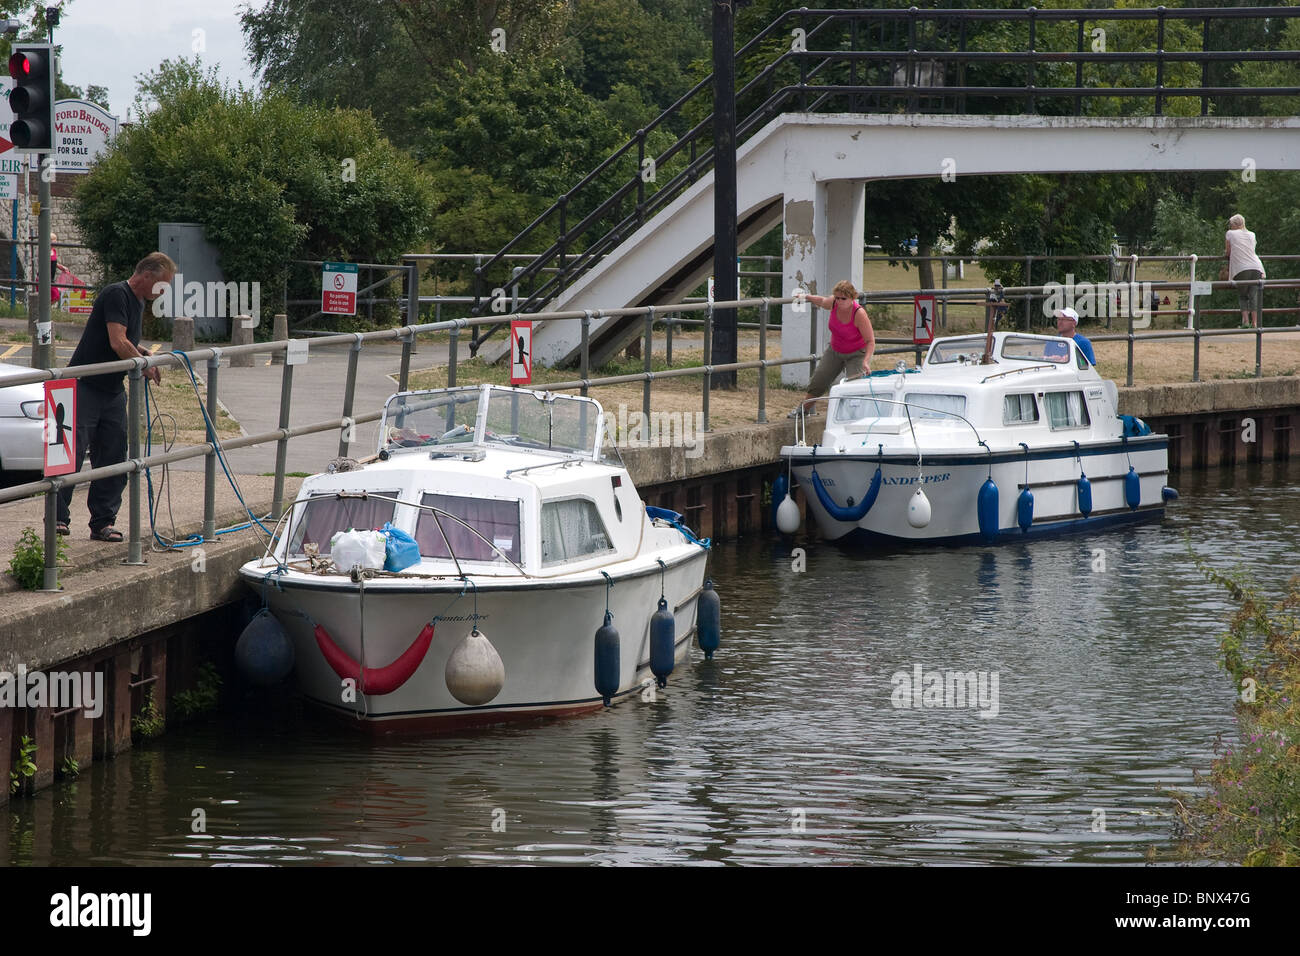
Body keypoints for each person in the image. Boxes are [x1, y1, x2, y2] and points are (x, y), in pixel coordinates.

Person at [57, 252, 176, 541]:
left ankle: (102, 522)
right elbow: (117, 341)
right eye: (162, 284)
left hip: (111, 390)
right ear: (147, 276)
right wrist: (143, 367)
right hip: (83, 384)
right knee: (68, 457)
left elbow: (128, 341)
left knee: (113, 457)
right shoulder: (116, 294)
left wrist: (144, 354)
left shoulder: (137, 301)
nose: (163, 291)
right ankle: (58, 519)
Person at [788, 280, 875, 417]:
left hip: (856, 354)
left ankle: (855, 416)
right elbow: (822, 301)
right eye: (838, 298)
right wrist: (806, 297)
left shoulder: (859, 314)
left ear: (852, 298)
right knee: (819, 380)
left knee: (854, 386)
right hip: (835, 350)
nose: (840, 301)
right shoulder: (833, 303)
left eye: (844, 299)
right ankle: (803, 410)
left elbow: (870, 341)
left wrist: (865, 361)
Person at [1224, 214, 1266, 329]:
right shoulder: (1252, 234)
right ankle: (1255, 323)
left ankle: (1246, 322)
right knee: (1253, 295)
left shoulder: (1230, 233)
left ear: (1234, 224)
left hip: (1241, 267)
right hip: (1256, 266)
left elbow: (1228, 252)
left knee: (1243, 295)